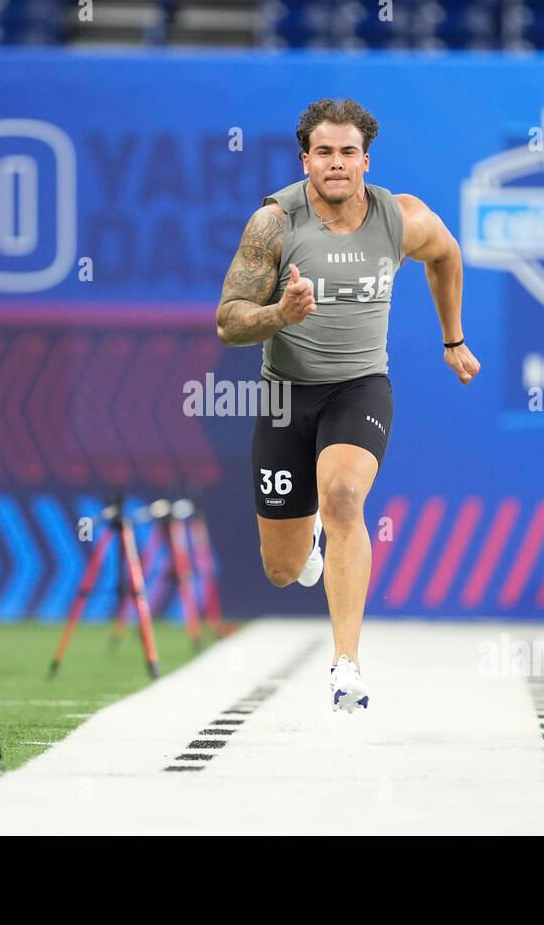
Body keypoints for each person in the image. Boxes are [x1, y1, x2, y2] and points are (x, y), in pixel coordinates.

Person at [214, 98, 480, 712]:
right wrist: (282, 313)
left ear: (366, 160)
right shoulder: (274, 223)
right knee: (281, 570)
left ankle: (346, 664)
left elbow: (445, 255)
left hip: (359, 386)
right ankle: (305, 546)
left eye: (348, 153)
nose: (337, 164)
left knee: (342, 497)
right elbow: (228, 322)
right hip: (285, 393)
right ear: (306, 160)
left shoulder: (401, 218)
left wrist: (454, 338)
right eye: (324, 153)